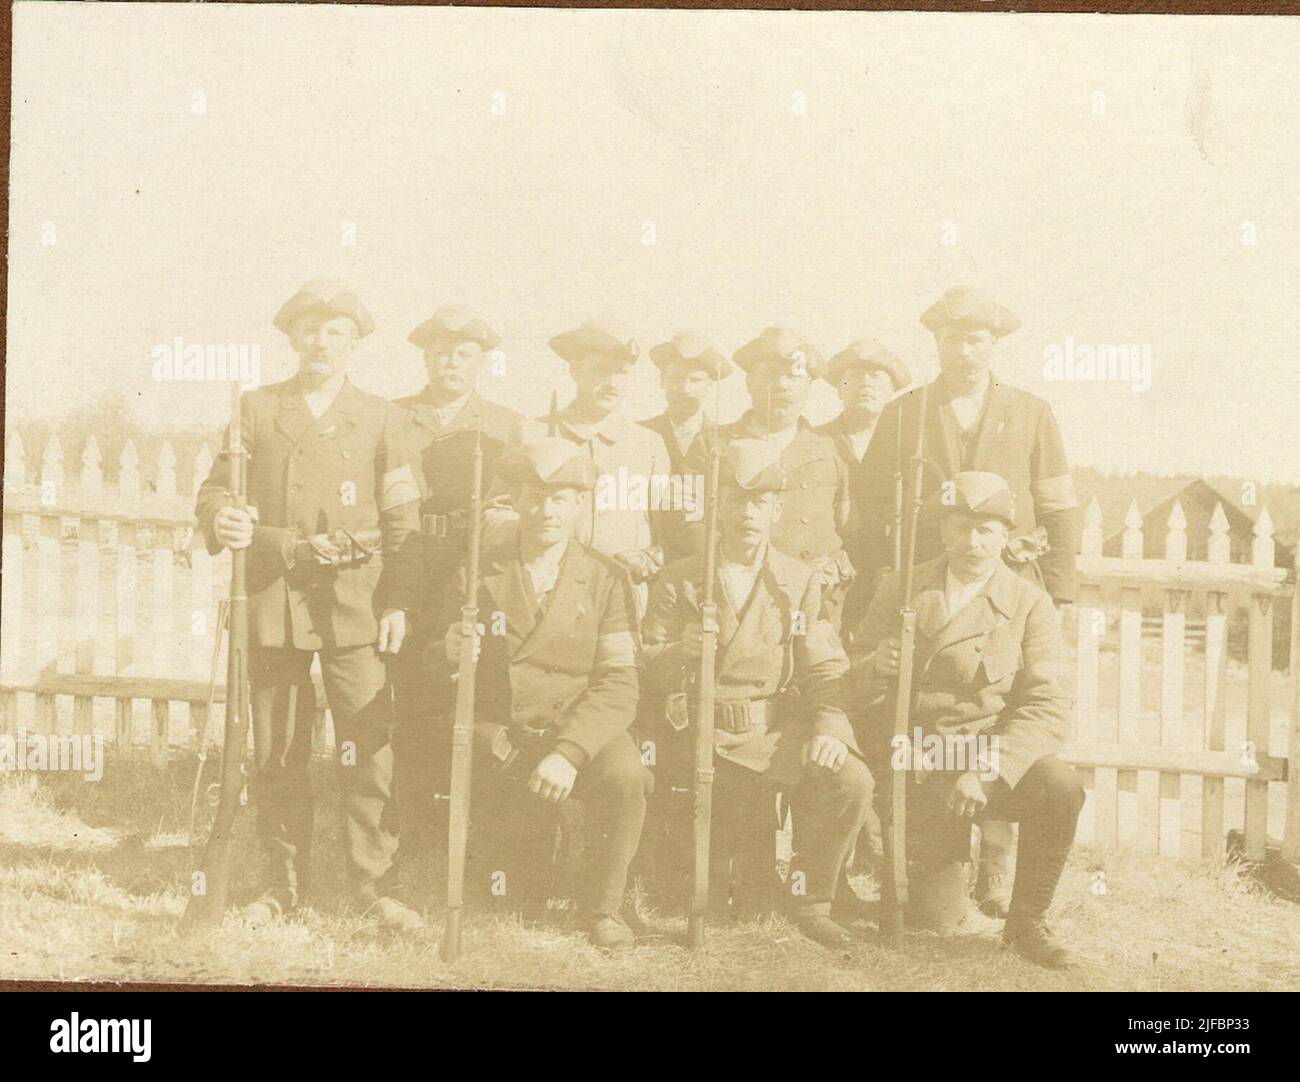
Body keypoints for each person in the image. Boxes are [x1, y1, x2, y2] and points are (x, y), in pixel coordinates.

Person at [195, 279, 423, 932]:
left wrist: (399, 602)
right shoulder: (257, 409)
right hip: (275, 606)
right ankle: (282, 885)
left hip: (357, 607)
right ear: (293, 338)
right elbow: (214, 489)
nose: (321, 342)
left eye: (336, 332)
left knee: (369, 749)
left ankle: (374, 888)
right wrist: (229, 522)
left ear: (353, 343)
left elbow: (403, 521)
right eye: (310, 331)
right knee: (279, 752)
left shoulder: (384, 417)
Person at [855, 288, 1080, 918]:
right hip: (930, 591)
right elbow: (871, 510)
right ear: (937, 344)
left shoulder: (1031, 412)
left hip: (1008, 584)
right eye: (952, 339)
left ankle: (999, 873)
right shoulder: (905, 413)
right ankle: (926, 860)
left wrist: (1058, 591)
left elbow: (1059, 505)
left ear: (994, 345)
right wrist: (884, 584)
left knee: (1002, 701)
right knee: (941, 707)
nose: (963, 351)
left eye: (976, 339)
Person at [642, 439, 872, 950]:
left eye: (760, 502)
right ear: (718, 506)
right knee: (716, 892)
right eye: (736, 500)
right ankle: (728, 879)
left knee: (850, 778)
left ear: (776, 509)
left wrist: (831, 726)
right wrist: (679, 652)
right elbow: (645, 661)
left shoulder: (796, 578)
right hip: (698, 732)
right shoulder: (682, 577)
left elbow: (824, 662)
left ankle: (810, 898)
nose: (747, 513)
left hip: (768, 732)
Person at [849, 471, 1084, 968]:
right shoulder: (903, 587)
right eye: (961, 528)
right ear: (943, 532)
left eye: (986, 530)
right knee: (934, 916)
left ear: (1005, 537)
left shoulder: (1030, 604)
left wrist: (988, 768)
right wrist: (876, 665)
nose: (973, 543)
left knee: (1060, 786)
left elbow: (1047, 705)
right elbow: (853, 678)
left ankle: (1025, 925)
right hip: (918, 763)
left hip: (983, 761)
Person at [426, 437, 650, 951]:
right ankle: (518, 873)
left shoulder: (606, 579)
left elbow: (620, 682)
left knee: (626, 773)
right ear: (517, 501)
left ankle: (602, 907)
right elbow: (426, 668)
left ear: (578, 507)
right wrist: (448, 648)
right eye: (535, 496)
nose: (546, 511)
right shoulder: (477, 572)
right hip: (503, 731)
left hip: (578, 729)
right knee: (508, 892)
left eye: (560, 499)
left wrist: (570, 753)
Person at [387, 305, 521, 907]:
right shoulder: (394, 418)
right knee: (412, 705)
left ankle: (478, 841)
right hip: (411, 573)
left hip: (478, 580)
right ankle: (410, 832)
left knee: (480, 701)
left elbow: (518, 497)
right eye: (440, 352)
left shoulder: (504, 424)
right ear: (425, 358)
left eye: (463, 354)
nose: (450, 363)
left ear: (480, 362)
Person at [491, 321, 674, 603]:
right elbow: (495, 513)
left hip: (622, 595)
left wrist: (647, 558)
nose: (612, 383)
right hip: (546, 592)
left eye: (621, 373)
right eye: (600, 371)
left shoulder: (649, 445)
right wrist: (537, 542)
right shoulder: (532, 434)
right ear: (575, 371)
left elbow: (671, 532)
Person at [686, 326, 853, 631]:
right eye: (770, 374)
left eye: (793, 376)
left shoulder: (832, 448)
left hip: (807, 602)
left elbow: (846, 524)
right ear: (749, 382)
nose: (781, 385)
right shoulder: (710, 444)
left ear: (809, 386)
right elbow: (689, 521)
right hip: (732, 594)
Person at [816, 338, 912, 639]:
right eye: (855, 376)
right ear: (839, 388)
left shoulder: (909, 446)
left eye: (876, 377)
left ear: (891, 390)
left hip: (889, 569)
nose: (865, 384)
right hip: (829, 571)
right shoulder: (815, 442)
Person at [639, 330, 734, 561]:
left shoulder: (728, 442)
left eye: (695, 380)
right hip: (648, 559)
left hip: (705, 562)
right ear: (662, 381)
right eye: (676, 378)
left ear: (710, 384)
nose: (685, 389)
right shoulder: (640, 436)